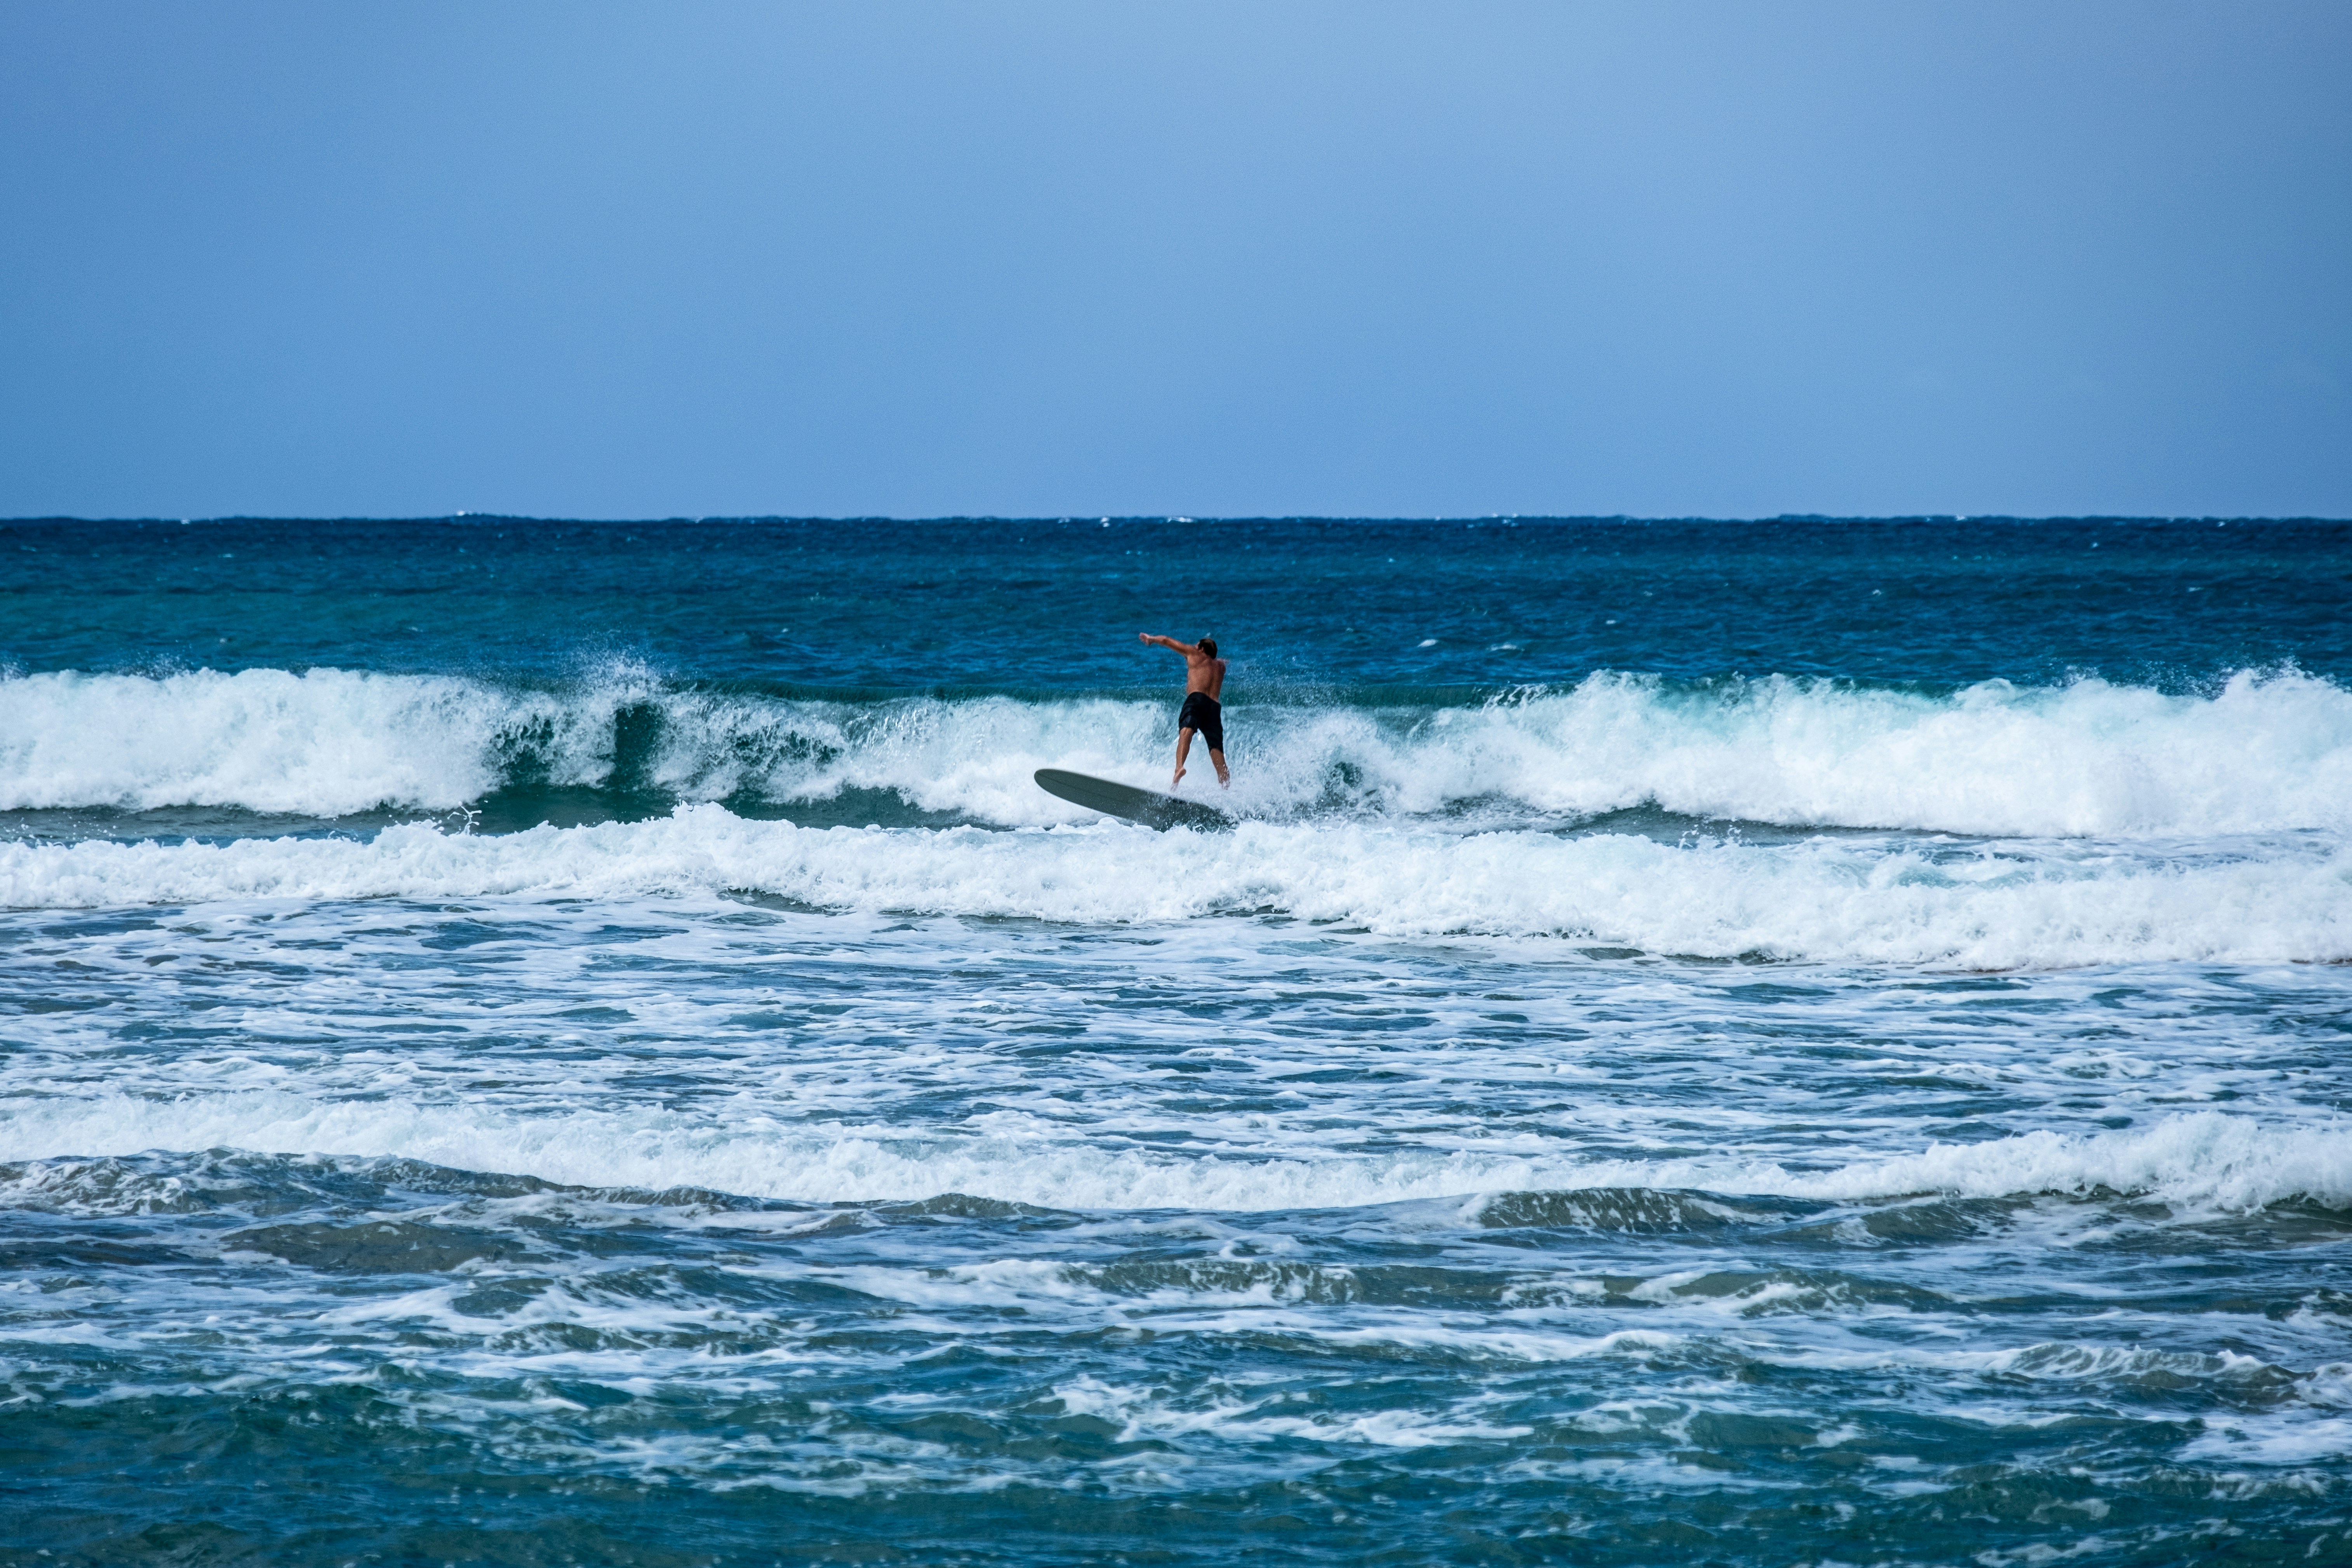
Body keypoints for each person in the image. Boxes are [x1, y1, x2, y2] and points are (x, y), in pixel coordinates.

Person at [1138, 632, 1228, 789]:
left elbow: (1167, 641)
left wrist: (1151, 639)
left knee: (1186, 731)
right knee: (1216, 748)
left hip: (1197, 700)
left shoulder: (1195, 654)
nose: (1193, 647)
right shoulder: (1220, 667)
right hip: (1214, 707)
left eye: (1196, 645)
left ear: (1201, 649)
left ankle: (1179, 768)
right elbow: (1222, 661)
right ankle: (1226, 786)